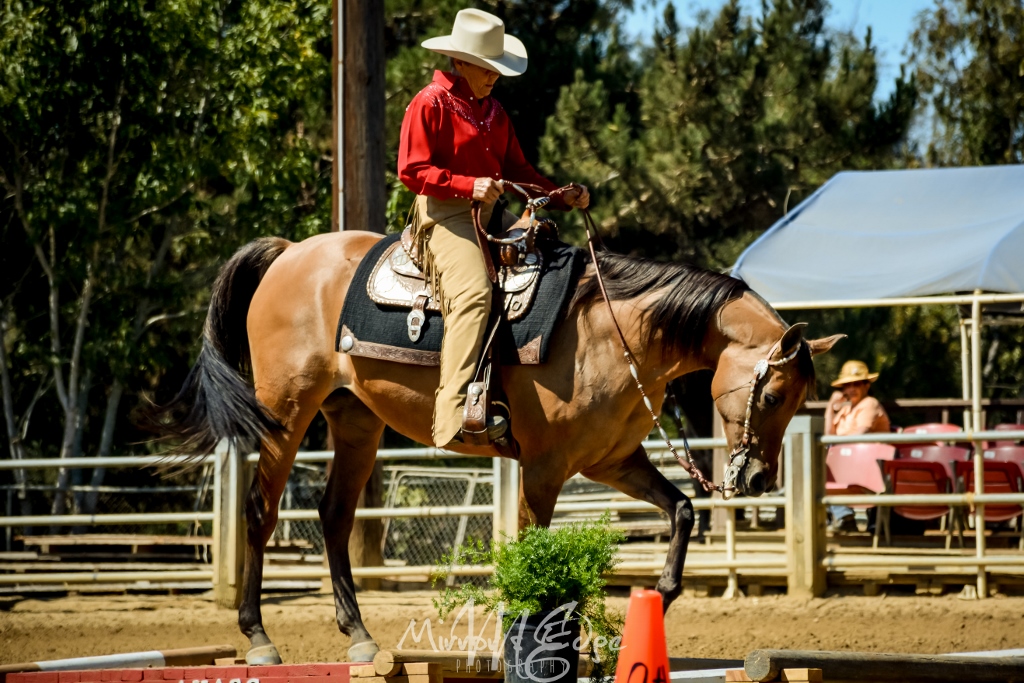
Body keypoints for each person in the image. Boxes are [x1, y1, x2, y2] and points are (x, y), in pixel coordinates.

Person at [398, 9, 590, 449]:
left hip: (490, 214)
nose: (493, 78)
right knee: (473, 294)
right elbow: (411, 170)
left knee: (556, 262)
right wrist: (469, 184)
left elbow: (520, 171)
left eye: (497, 71)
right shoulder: (429, 102)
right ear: (460, 63)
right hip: (444, 215)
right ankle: (452, 417)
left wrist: (561, 194)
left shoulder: (495, 112)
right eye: (487, 69)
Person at [825, 360, 891, 532]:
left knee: (819, 465)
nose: (851, 388)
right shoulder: (845, 409)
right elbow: (828, 436)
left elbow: (861, 435)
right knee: (819, 462)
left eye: (857, 383)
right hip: (845, 461)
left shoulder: (870, 403)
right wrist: (830, 410)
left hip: (868, 464)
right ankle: (842, 516)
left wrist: (834, 447)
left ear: (866, 385)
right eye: (847, 385)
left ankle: (843, 516)